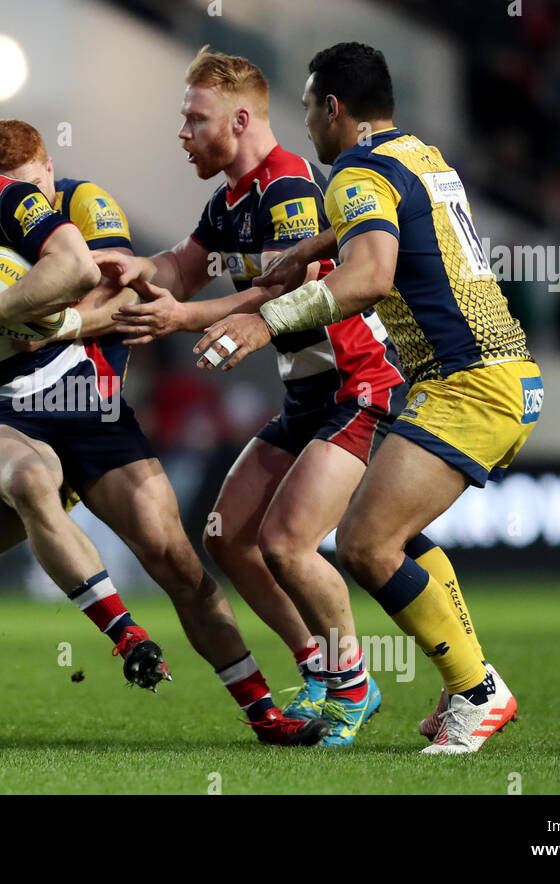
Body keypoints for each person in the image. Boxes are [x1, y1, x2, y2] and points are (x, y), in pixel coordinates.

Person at [0, 113, 319, 747]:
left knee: (174, 560)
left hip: (85, 401)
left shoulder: (27, 204)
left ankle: (267, 711)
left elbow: (82, 273)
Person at [198, 42, 540, 754]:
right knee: (399, 536)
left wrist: (267, 319)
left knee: (362, 544)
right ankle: (461, 685)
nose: (308, 128)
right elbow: (397, 223)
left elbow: (372, 276)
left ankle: (479, 691)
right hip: (500, 375)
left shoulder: (354, 169)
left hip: (467, 384)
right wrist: (309, 247)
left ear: (333, 108)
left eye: (308, 110)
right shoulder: (421, 155)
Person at [97, 47, 408, 746]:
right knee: (228, 539)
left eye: (194, 119)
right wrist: (132, 267)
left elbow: (287, 291)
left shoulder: (289, 186)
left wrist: (186, 317)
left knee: (286, 544)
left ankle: (354, 686)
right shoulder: (232, 200)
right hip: (306, 395)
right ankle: (320, 669)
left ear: (240, 119)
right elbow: (183, 265)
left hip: (356, 383)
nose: (182, 133)